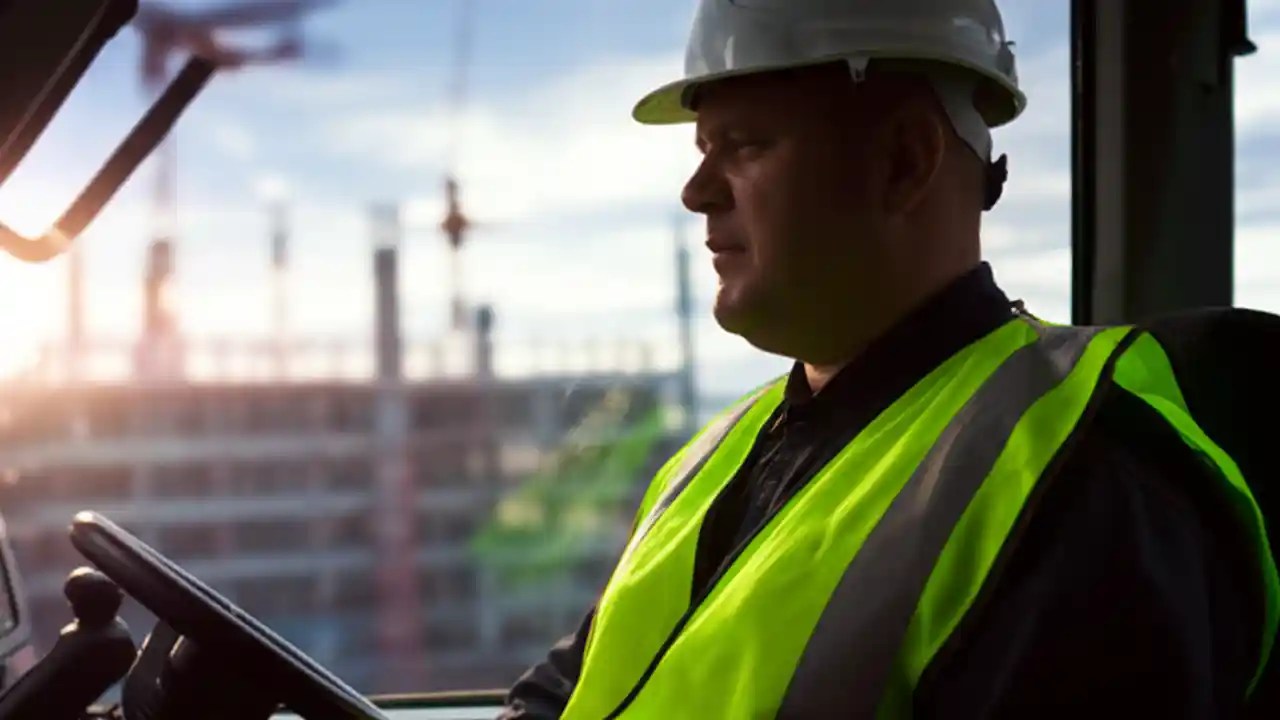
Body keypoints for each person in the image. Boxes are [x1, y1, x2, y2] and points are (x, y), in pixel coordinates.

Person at [500, 0, 1278, 717]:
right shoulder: (711, 460)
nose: (697, 191)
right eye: (705, 150)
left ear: (905, 160)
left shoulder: (1085, 477)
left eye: (744, 146)